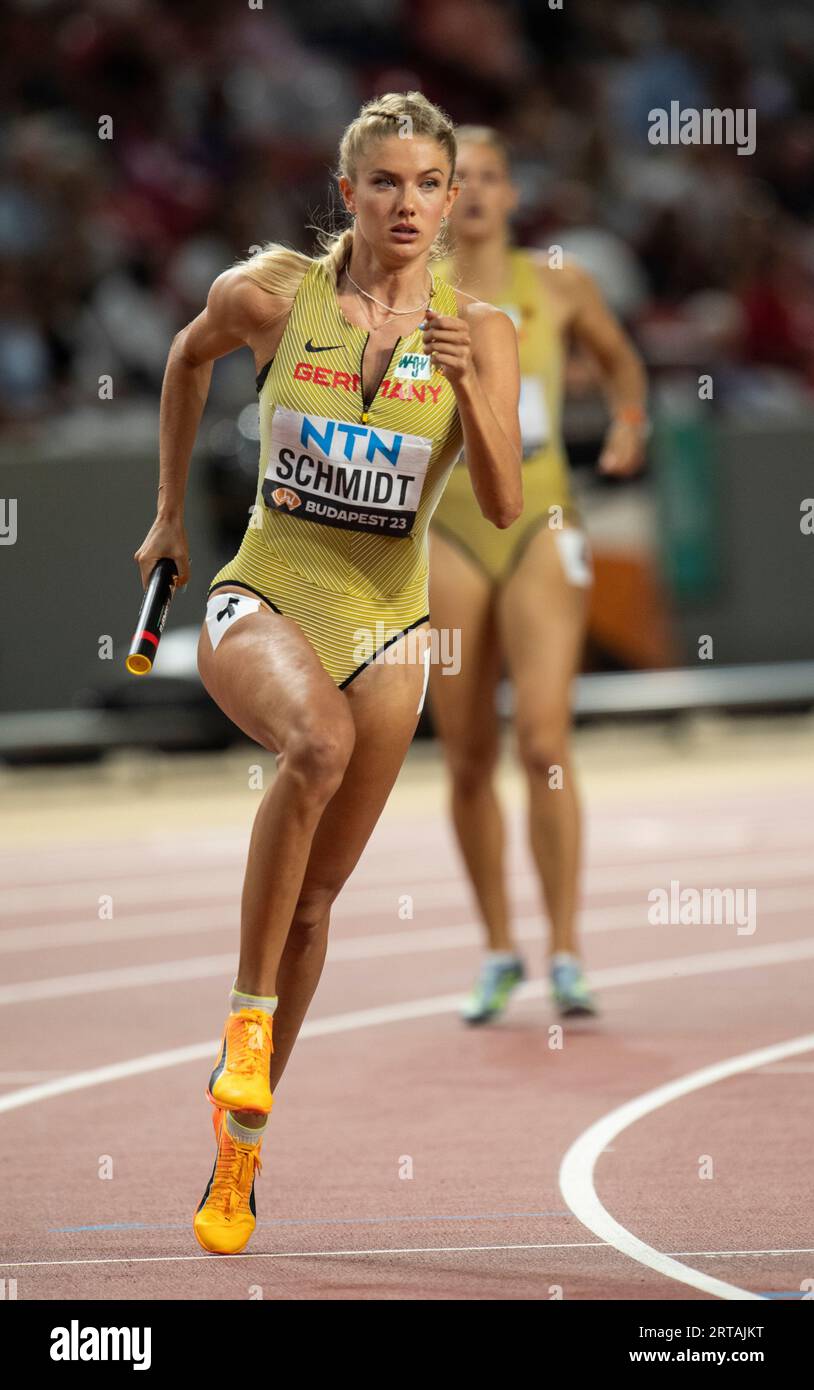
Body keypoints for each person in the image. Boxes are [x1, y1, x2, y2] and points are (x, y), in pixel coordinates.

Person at [133, 94, 522, 1256]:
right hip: (267, 588)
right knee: (316, 746)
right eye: (385, 183)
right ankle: (244, 1027)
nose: (407, 205)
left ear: (452, 202)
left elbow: (502, 502)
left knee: (318, 900)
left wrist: (467, 388)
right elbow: (184, 357)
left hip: (388, 620)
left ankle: (238, 1152)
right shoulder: (269, 295)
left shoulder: (480, 328)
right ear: (346, 192)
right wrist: (167, 517)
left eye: (427, 186)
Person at [427, 127, 647, 1025]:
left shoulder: (557, 284)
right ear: (435, 198)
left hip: (544, 520)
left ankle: (565, 951)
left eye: (488, 177)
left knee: (545, 744)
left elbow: (623, 358)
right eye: (455, 179)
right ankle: (496, 950)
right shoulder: (408, 292)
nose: (473, 193)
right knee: (470, 752)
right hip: (447, 527)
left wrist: (628, 416)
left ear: (513, 194)